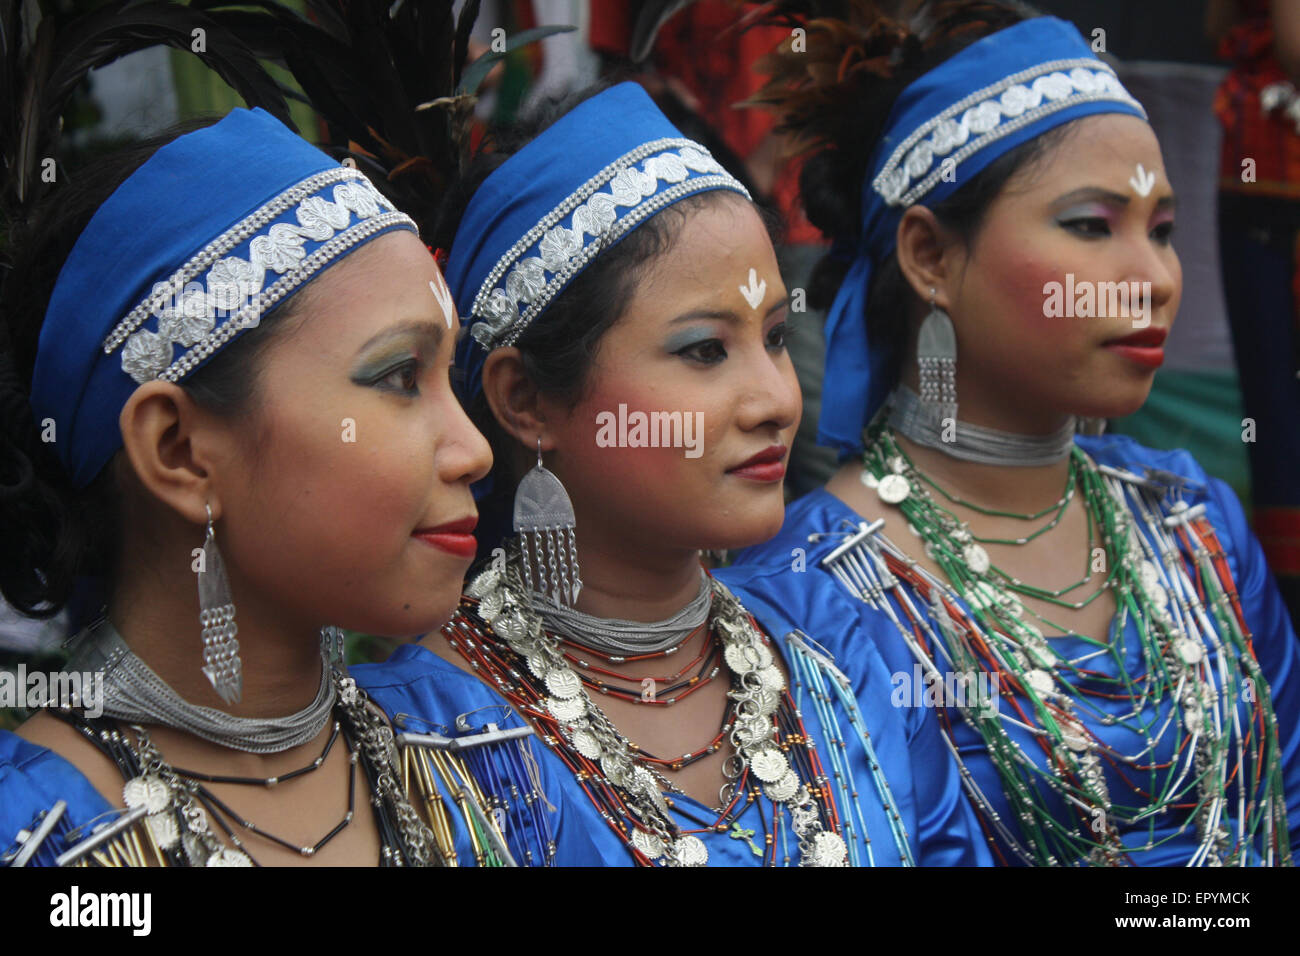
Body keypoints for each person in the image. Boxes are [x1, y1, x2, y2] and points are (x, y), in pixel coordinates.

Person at [358, 79, 989, 866]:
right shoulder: (431, 741)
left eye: (776, 338)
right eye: (704, 350)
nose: (775, 400)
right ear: (525, 401)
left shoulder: (844, 649)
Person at [727, 0, 1300, 866]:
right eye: (1090, 226)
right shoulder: (811, 601)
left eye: (1165, 231)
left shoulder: (1199, 528)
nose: (1153, 278)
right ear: (930, 257)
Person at [0, 107, 527, 866]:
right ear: (180, 451)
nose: (474, 450)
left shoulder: (487, 754)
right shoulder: (40, 841)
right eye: (400, 377)